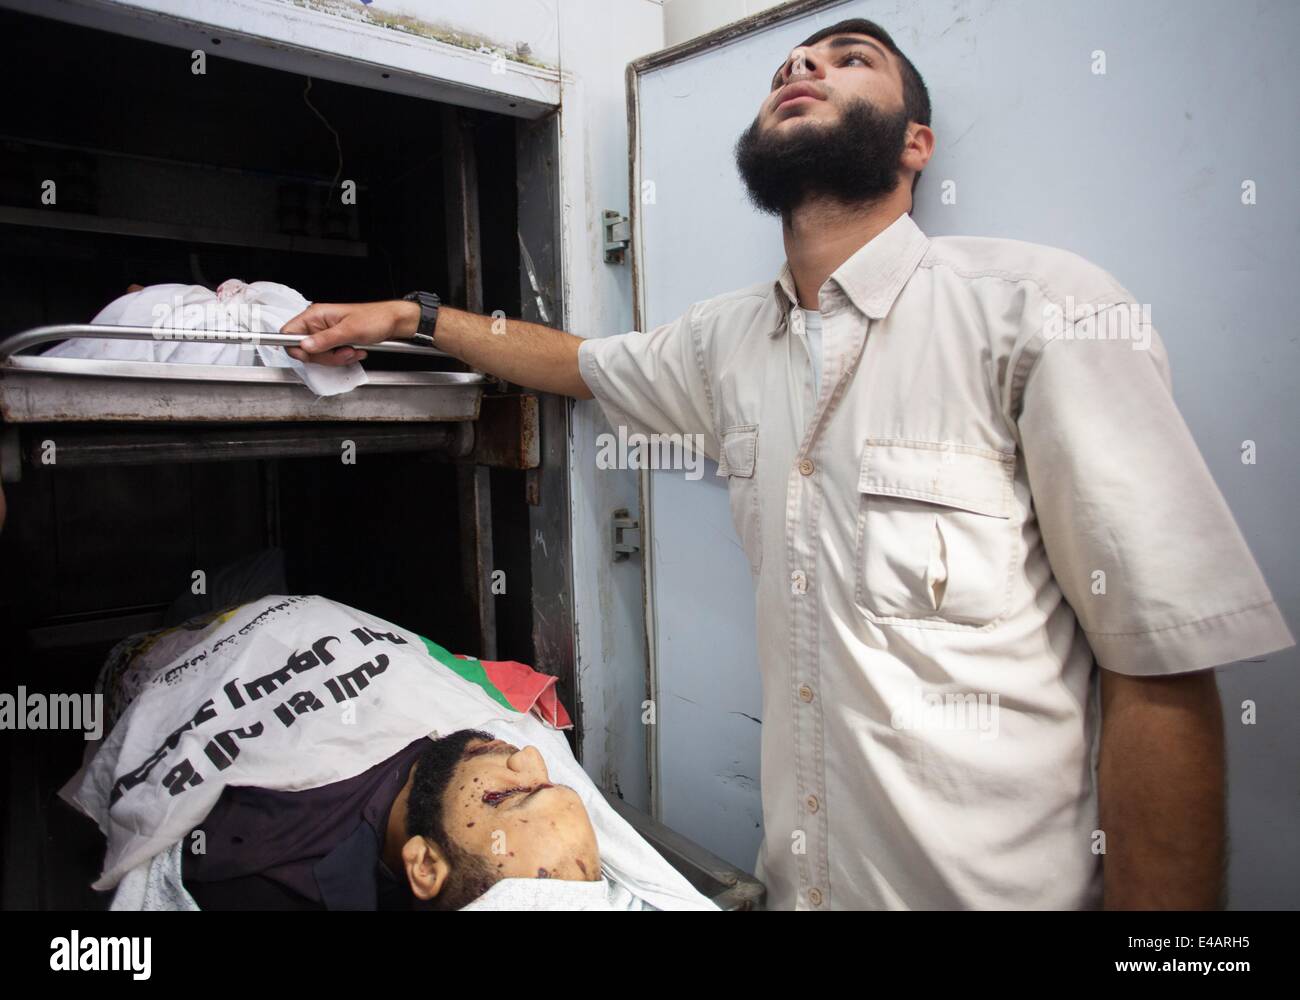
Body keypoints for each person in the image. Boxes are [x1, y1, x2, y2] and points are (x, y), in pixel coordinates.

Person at [282, 17, 1294, 910]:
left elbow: (1157, 669)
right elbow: (575, 363)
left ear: (914, 144)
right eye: (789, 62)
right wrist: (414, 317)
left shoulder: (1036, 314)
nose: (803, 61)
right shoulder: (728, 345)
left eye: (849, 59)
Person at [182, 728, 603, 911]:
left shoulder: (261, 845)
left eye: (510, 794)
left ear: (424, 865)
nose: (529, 756)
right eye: (547, 781)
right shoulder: (468, 738)